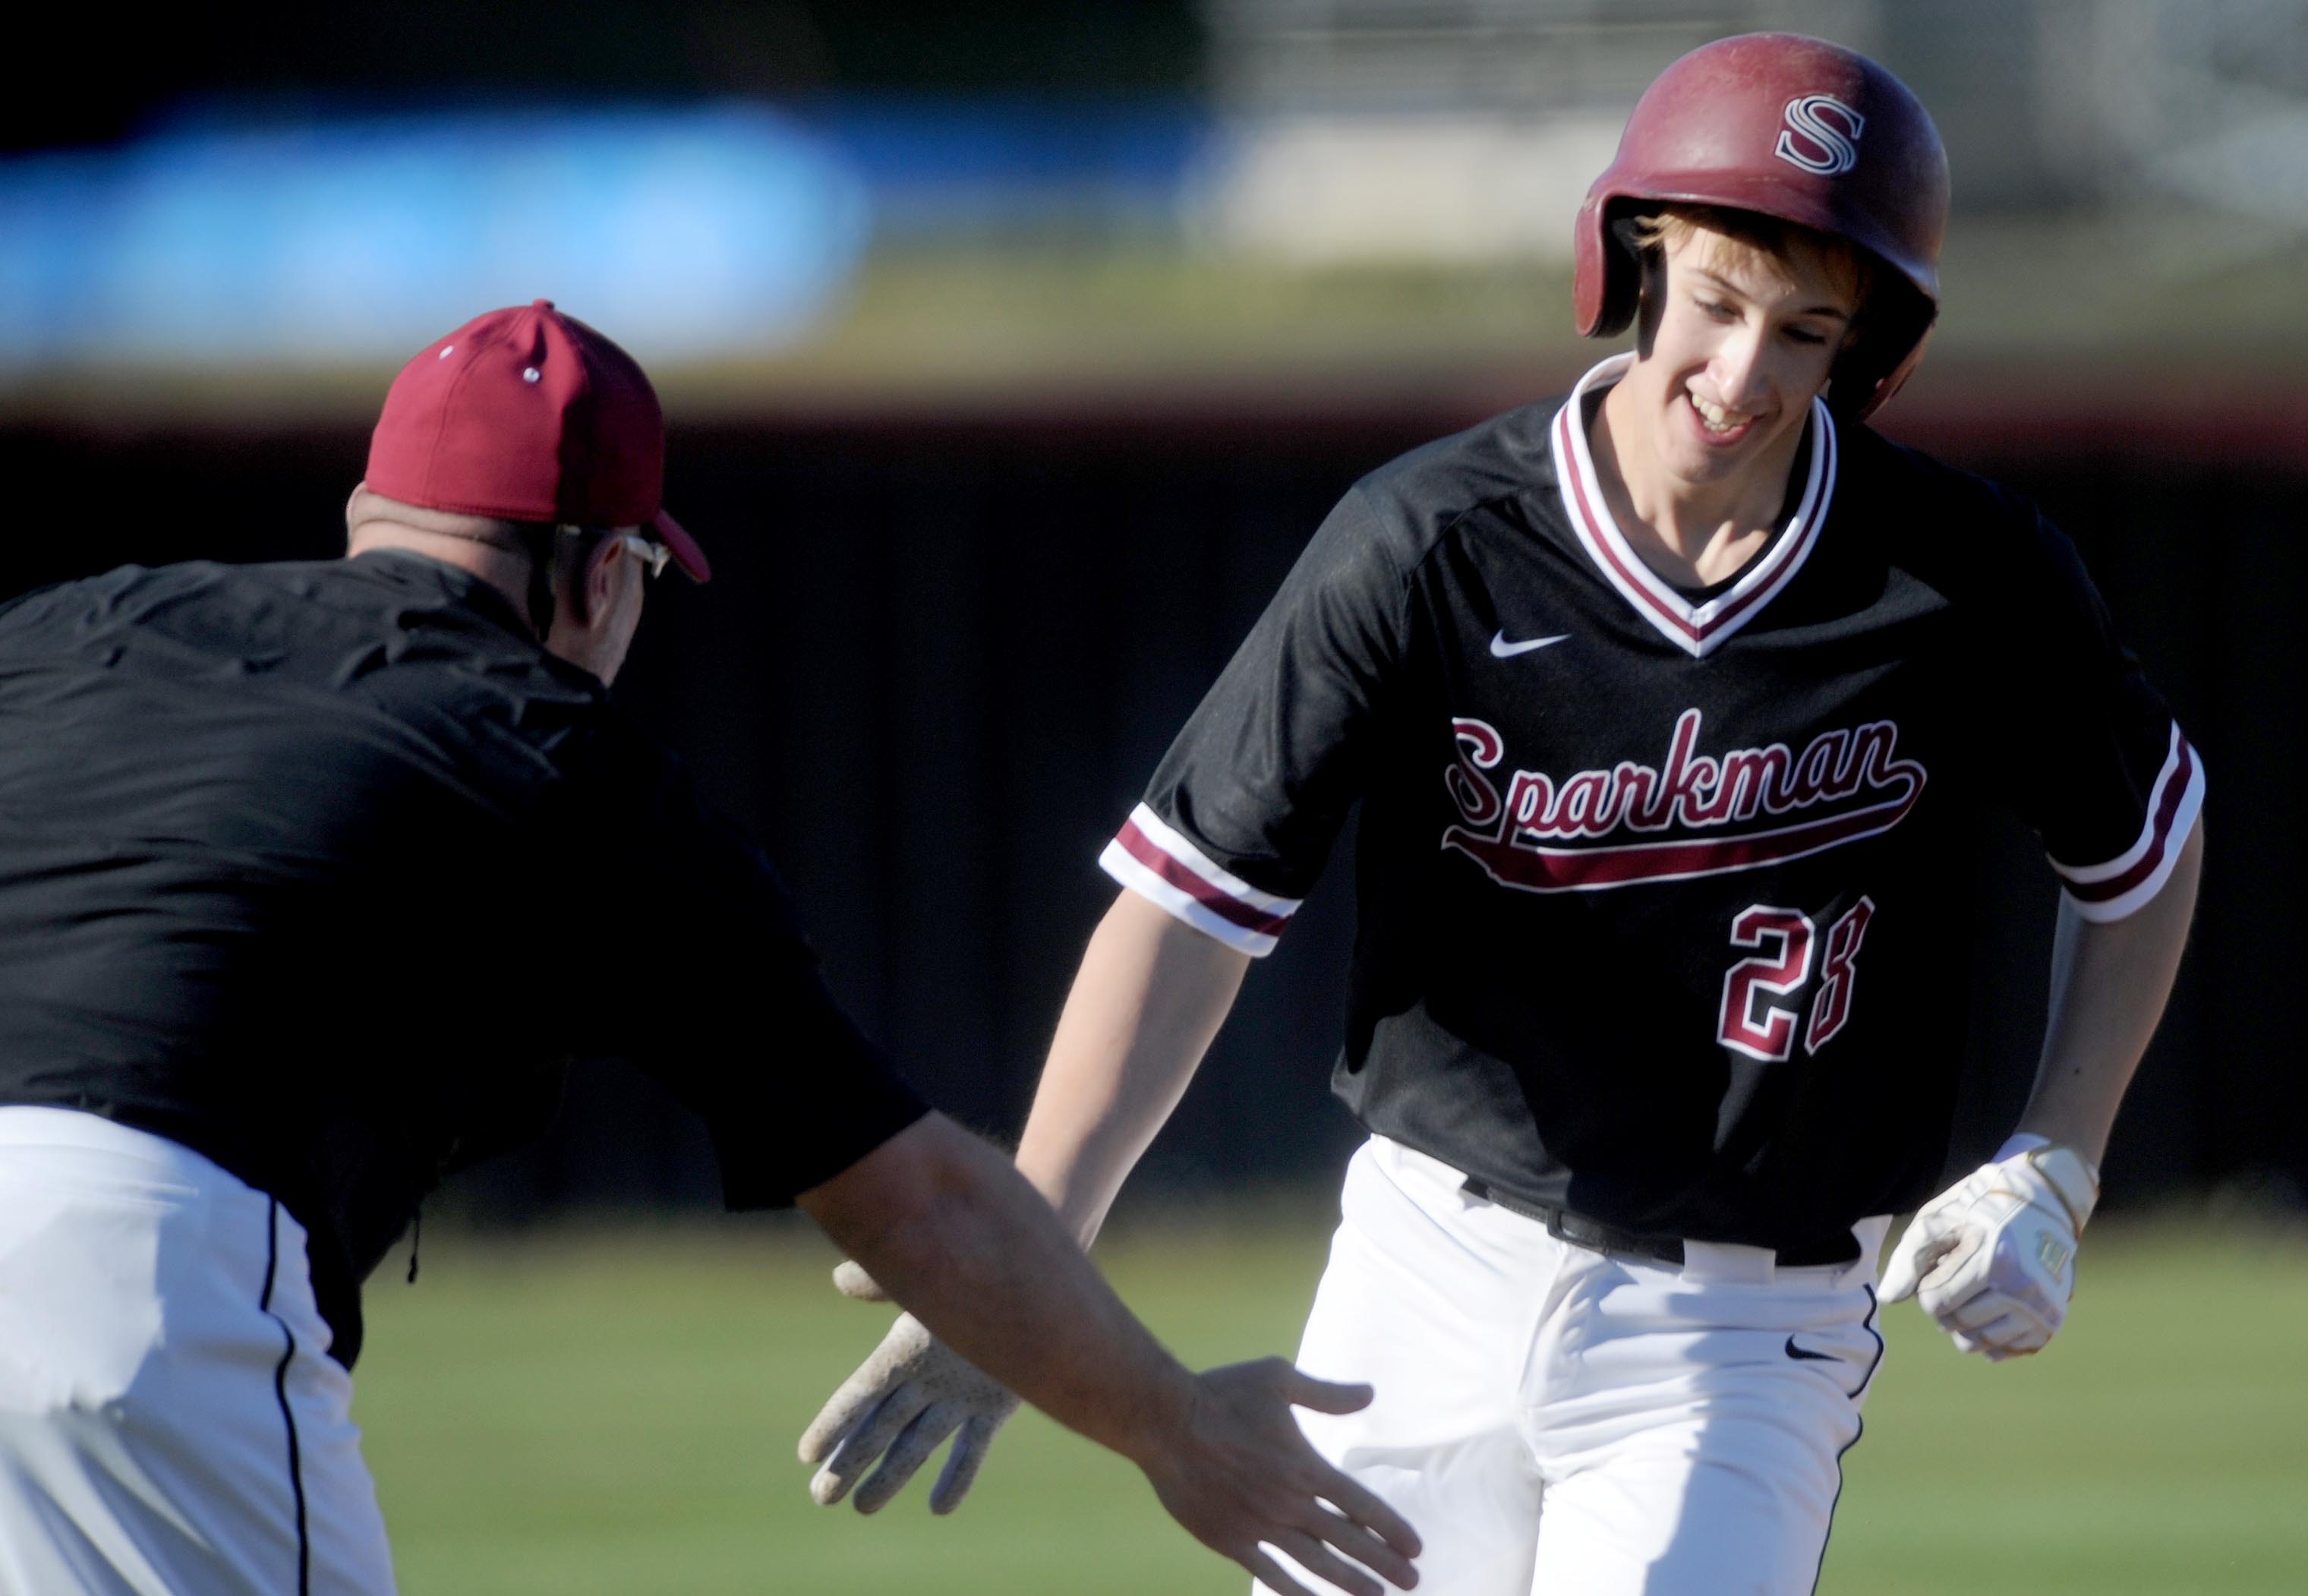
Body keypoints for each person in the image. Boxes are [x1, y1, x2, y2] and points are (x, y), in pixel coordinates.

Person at [800, 32, 2206, 1596]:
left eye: (1804, 329)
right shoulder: (1427, 544)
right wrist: (1030, 1263)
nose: (1740, 376)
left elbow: (2142, 845)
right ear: (1633, 257)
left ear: (1865, 352)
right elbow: (1192, 908)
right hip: (1432, 1267)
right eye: (1718, 301)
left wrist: (2055, 1159)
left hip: (1740, 1325)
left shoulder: (1957, 575)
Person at [0, 300, 1422, 1596]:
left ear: (371, 513)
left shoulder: (80, 626)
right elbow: (916, 1201)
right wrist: (1177, 1425)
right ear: (601, 575)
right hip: (123, 1265)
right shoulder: (554, 753)